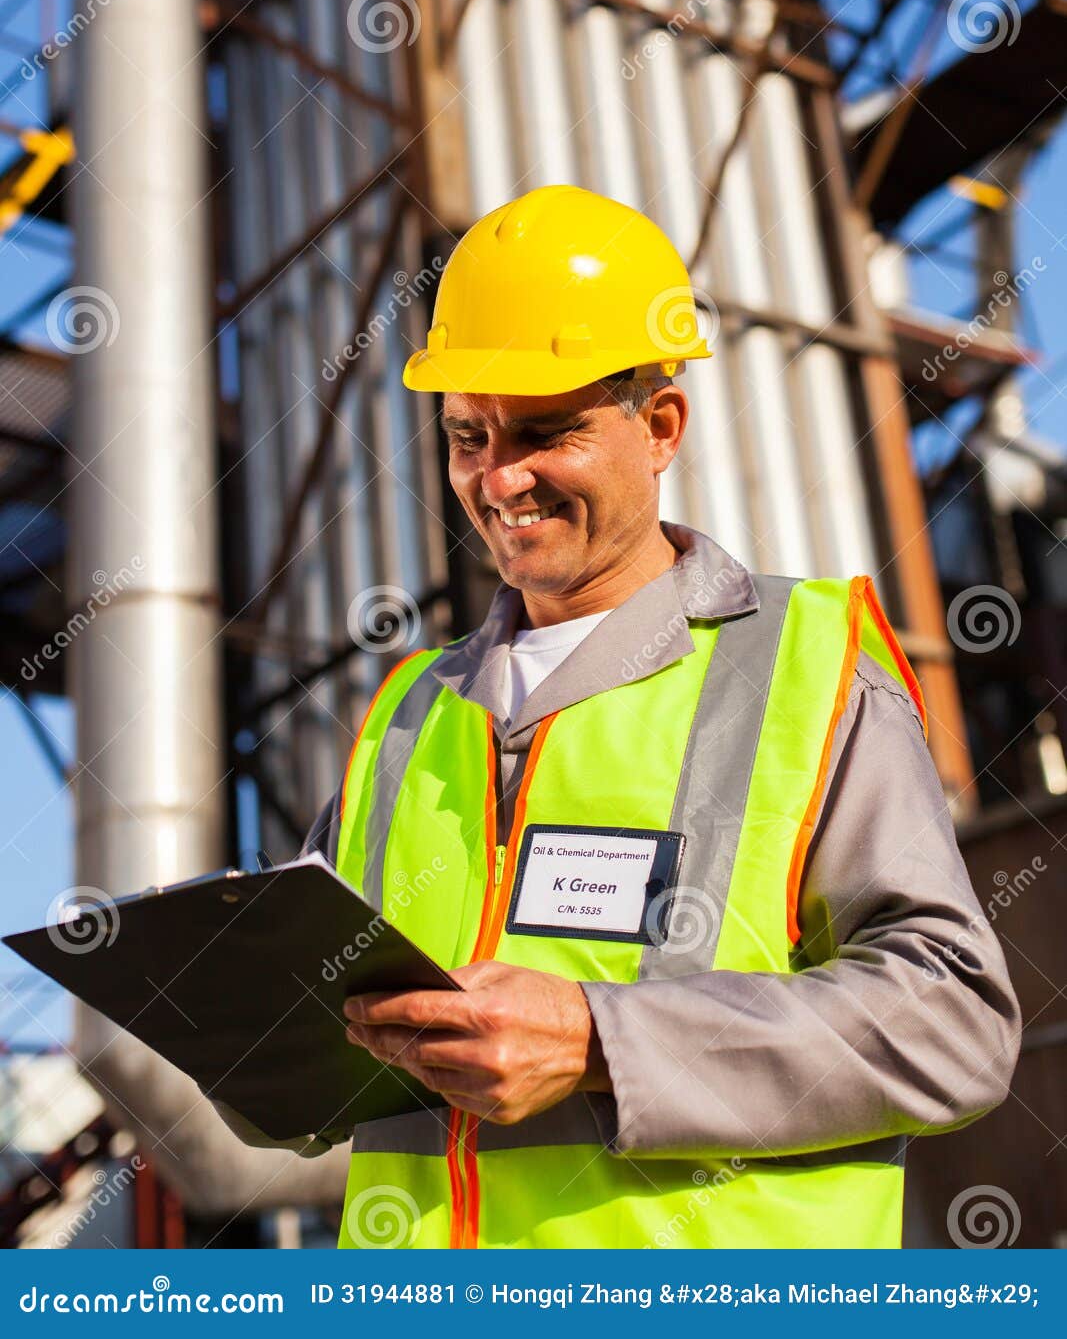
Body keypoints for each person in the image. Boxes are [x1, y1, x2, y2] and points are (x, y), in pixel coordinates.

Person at [223, 185, 1021, 1250]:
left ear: (658, 426)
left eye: (544, 431)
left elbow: (953, 1021)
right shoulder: (406, 717)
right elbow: (307, 1082)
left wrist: (602, 1040)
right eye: (468, 435)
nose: (499, 479)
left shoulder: (804, 669)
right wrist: (233, 1016)